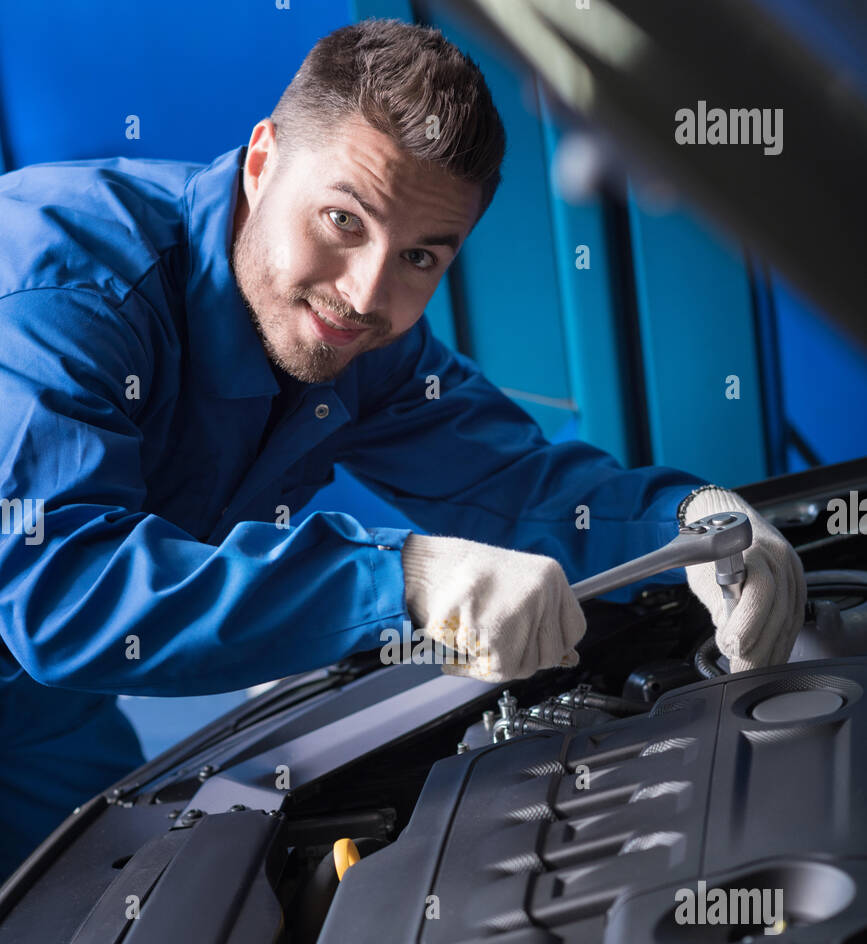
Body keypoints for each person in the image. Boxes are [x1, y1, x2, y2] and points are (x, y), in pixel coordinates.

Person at [0, 19, 804, 880]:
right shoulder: (64, 286)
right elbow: (63, 586)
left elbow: (511, 481)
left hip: (42, 713)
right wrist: (404, 581)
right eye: (343, 219)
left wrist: (685, 522)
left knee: (94, 909)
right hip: (42, 648)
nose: (366, 293)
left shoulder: (366, 347)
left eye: (420, 255)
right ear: (263, 160)